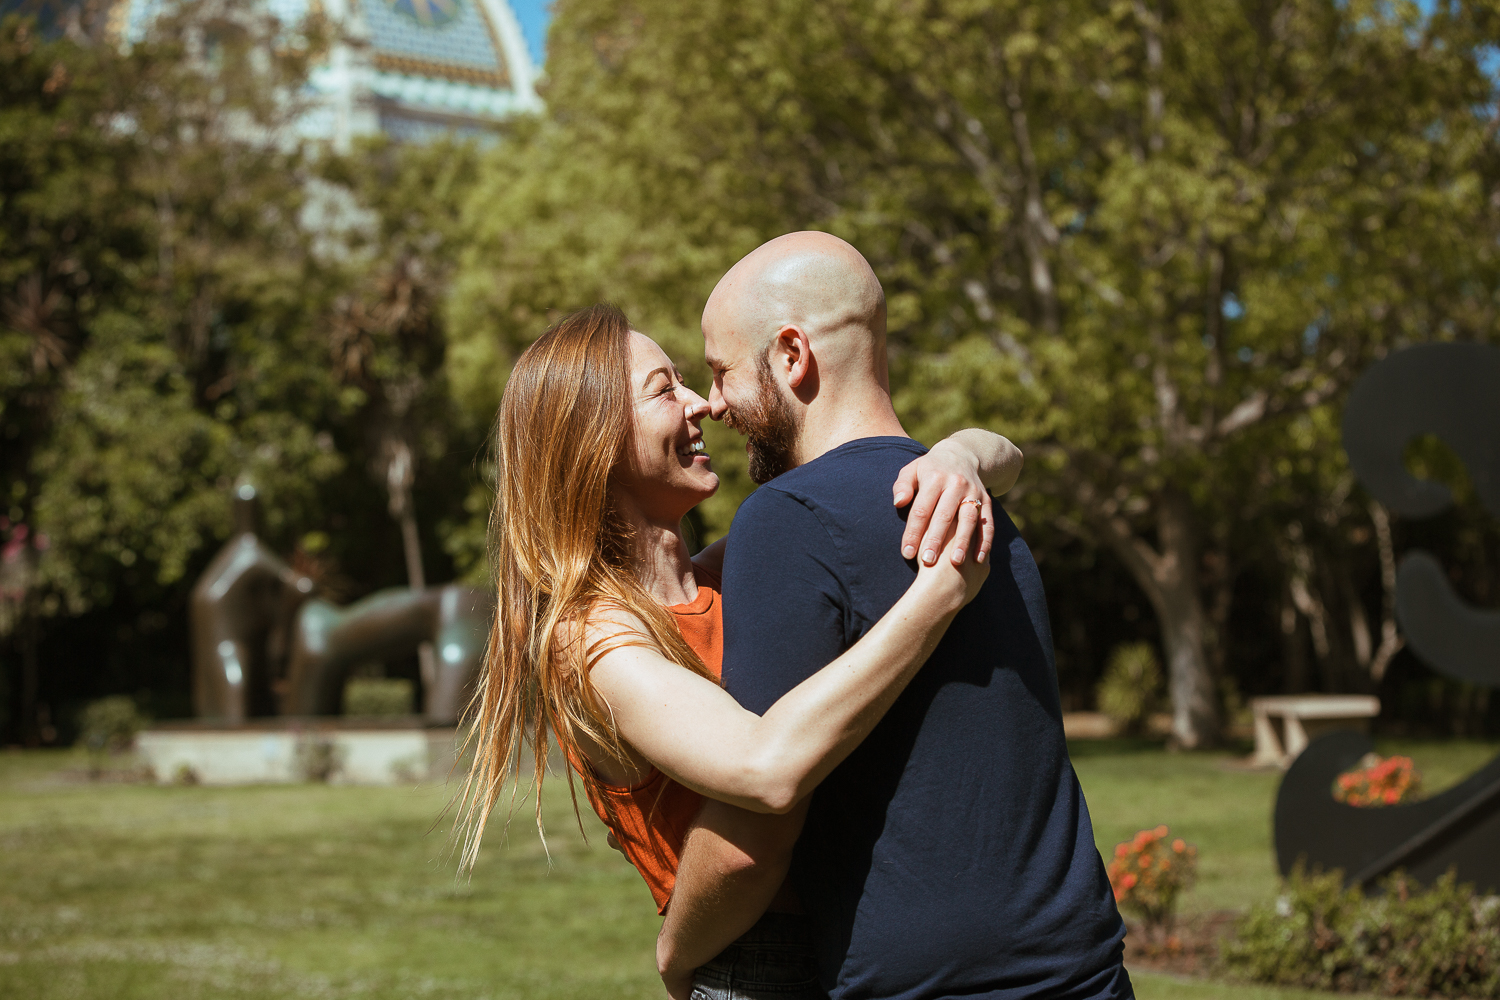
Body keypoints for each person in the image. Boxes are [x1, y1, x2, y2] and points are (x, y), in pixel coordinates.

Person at [455, 304, 1024, 982]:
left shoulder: (726, 576)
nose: (700, 404)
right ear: (593, 444)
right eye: (665, 390)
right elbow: (765, 772)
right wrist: (936, 599)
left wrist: (957, 455)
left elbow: (1008, 456)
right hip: (755, 961)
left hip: (851, 930)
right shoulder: (589, 639)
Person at [656, 232, 1132, 1000]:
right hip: (1087, 971)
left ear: (790, 355)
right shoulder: (979, 508)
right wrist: (972, 452)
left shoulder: (787, 518)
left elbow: (755, 834)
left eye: (720, 371)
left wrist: (677, 954)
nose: (714, 405)